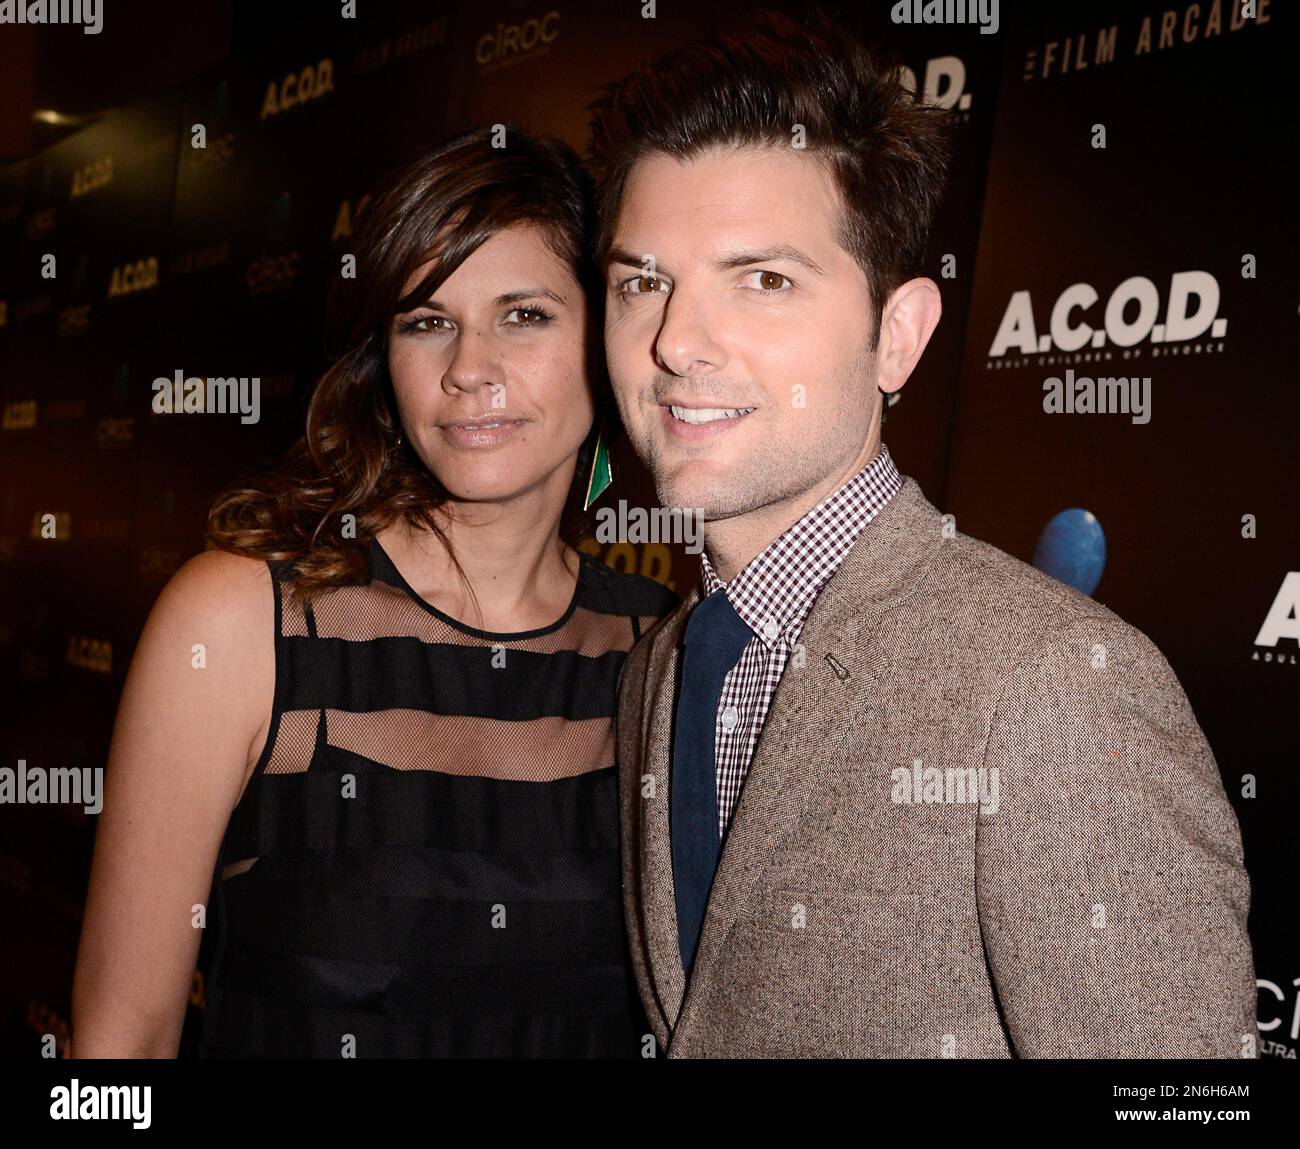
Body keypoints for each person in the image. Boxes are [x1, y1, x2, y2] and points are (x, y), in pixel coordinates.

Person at [589, 7, 1257, 1057]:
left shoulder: (1052, 688)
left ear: (895, 338)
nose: (675, 341)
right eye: (641, 284)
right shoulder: (660, 668)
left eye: (764, 280)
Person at [69, 125, 676, 1058]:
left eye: (524, 314)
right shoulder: (242, 619)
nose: (469, 369)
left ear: (609, 340)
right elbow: (121, 1042)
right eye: (426, 320)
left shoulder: (666, 651)